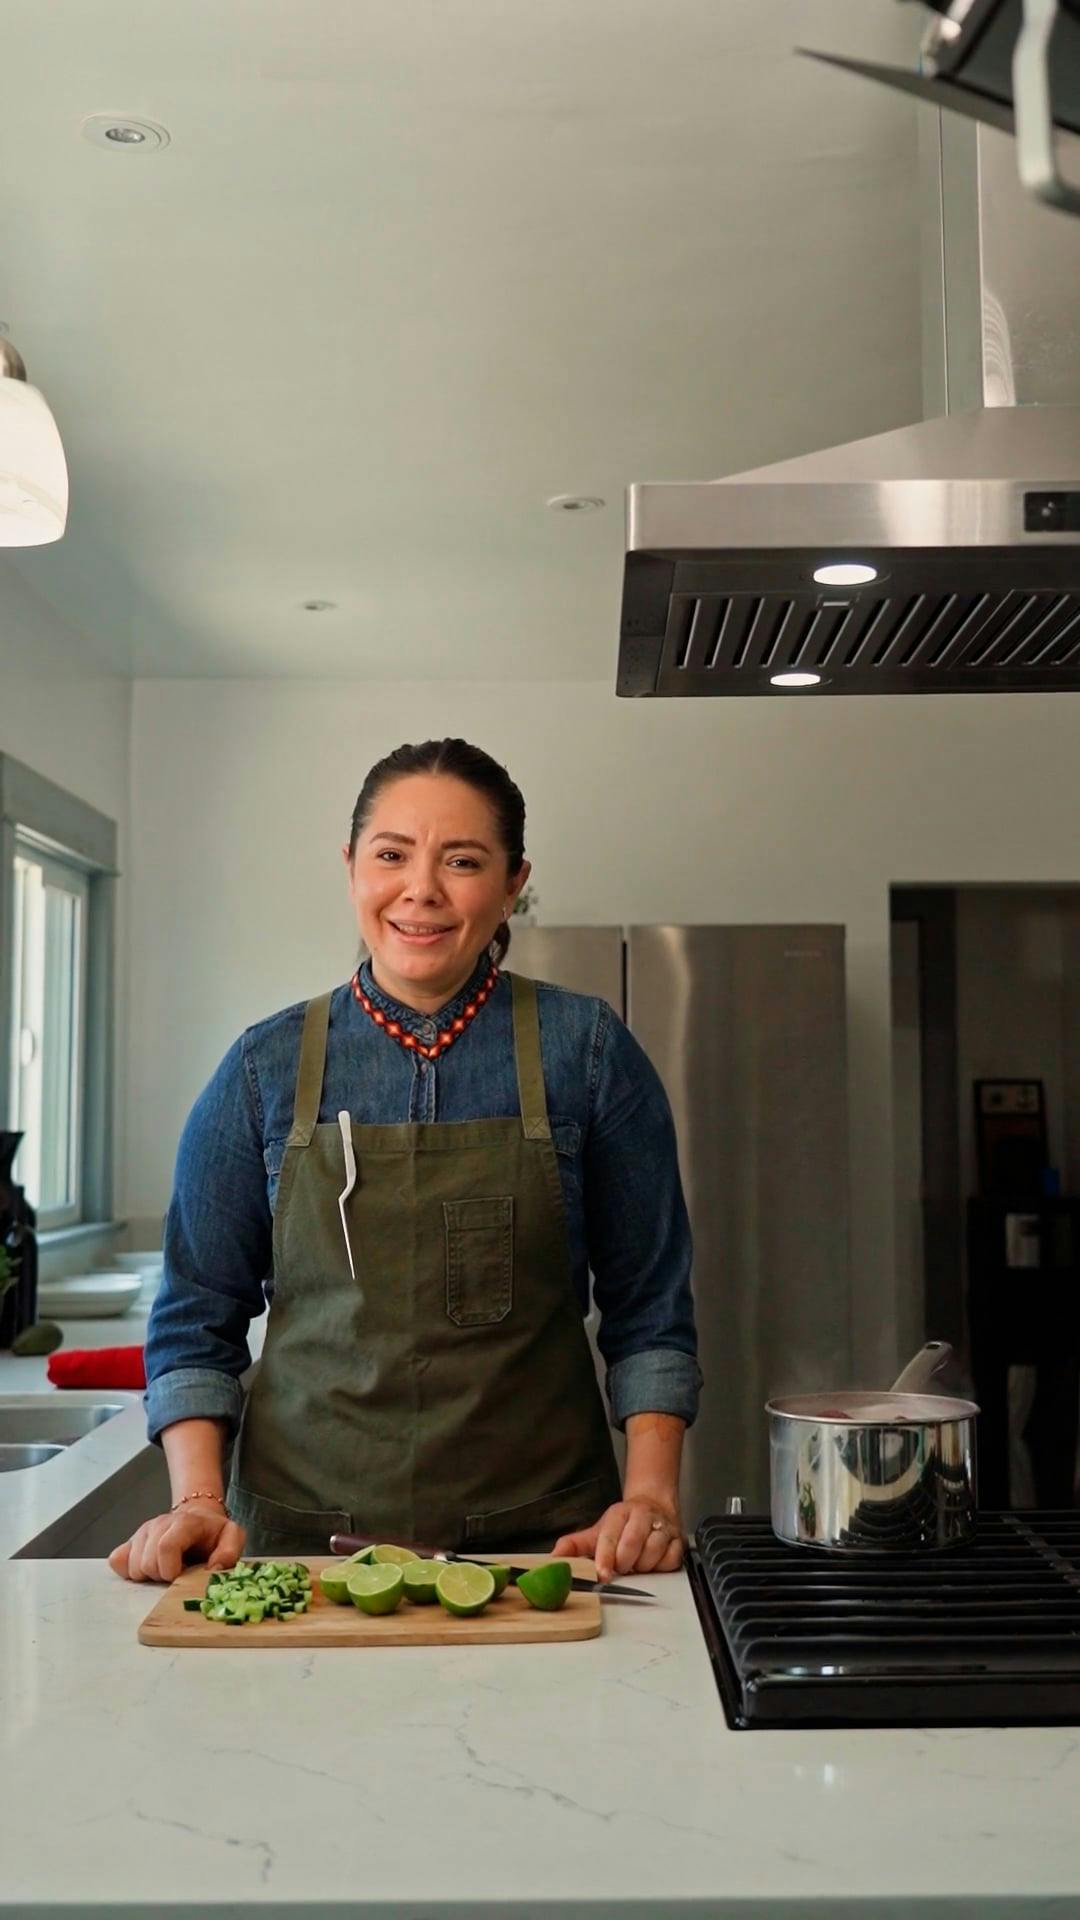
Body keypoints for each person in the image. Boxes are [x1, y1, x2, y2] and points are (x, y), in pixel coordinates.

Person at [109, 738, 702, 1587]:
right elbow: (196, 1318)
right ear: (352, 866)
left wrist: (651, 1498)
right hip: (299, 1548)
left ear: (512, 884)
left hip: (543, 1552)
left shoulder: (591, 1050)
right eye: (392, 855)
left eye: (462, 861)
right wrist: (199, 1501)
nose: (421, 890)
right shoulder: (261, 1068)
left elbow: (649, 1307)